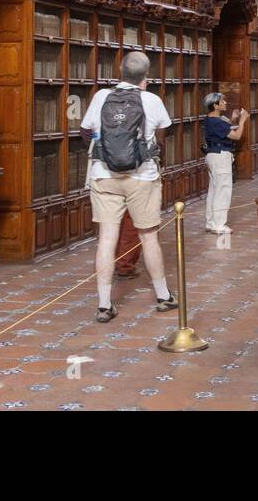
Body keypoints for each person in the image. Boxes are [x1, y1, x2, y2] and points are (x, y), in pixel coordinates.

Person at [81, 52, 177, 323]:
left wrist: (106, 150)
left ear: (119, 71)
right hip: (142, 177)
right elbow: (161, 136)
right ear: (146, 77)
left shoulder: (101, 96)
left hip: (104, 175)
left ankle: (103, 304)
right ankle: (162, 296)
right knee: (148, 237)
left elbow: (85, 132)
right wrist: (159, 162)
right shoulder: (152, 100)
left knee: (107, 239)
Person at [202, 91, 248, 234]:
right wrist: (242, 121)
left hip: (213, 155)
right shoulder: (216, 121)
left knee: (214, 190)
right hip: (220, 156)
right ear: (215, 105)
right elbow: (236, 136)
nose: (225, 103)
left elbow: (225, 130)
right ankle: (219, 225)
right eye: (222, 101)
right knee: (223, 190)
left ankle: (211, 222)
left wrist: (233, 120)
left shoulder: (211, 119)